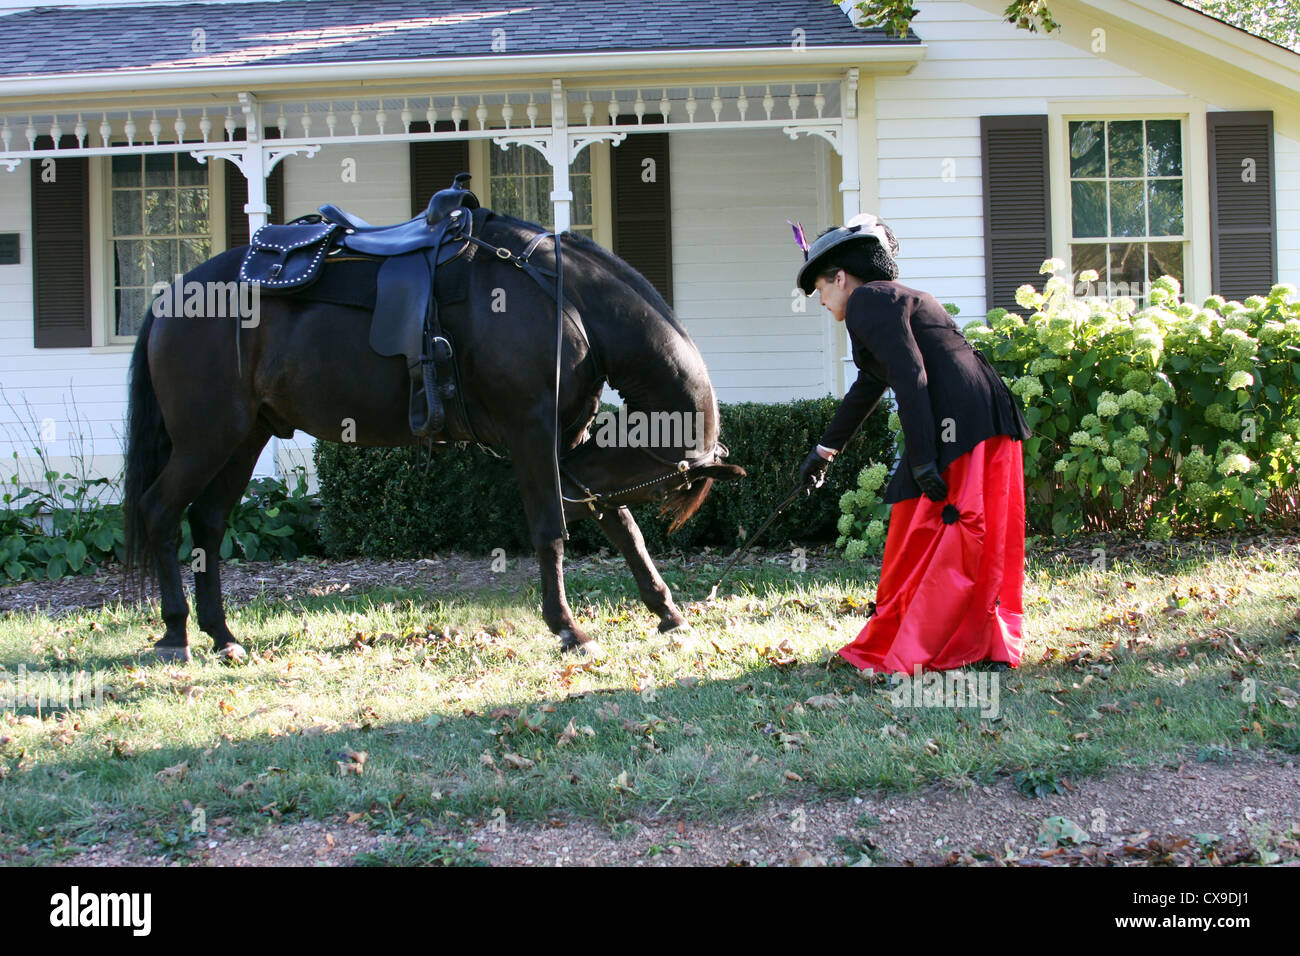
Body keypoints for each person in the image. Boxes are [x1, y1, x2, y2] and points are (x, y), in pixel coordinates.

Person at [792, 213, 1031, 673]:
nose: (821, 301)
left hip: (960, 425)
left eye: (821, 289)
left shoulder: (867, 299)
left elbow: (910, 374)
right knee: (955, 531)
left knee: (936, 531)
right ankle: (982, 643)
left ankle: (925, 646)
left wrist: (923, 459)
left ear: (841, 277)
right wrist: (825, 450)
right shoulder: (895, 298)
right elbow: (872, 382)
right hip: (984, 418)